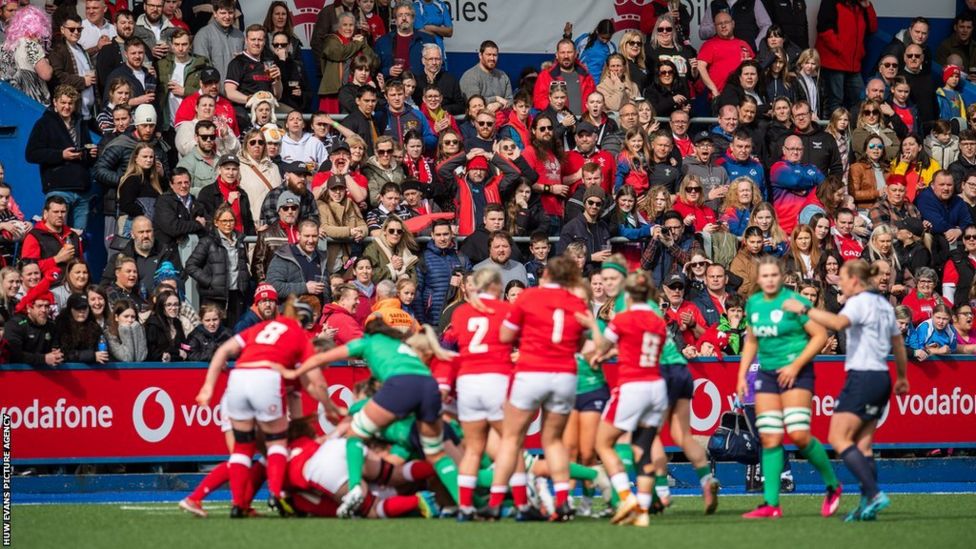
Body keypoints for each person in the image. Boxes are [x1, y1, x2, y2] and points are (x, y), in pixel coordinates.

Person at [195, 300, 340, 517]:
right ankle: (276, 494)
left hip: (238, 379)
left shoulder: (262, 326)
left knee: (244, 451)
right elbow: (317, 383)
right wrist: (330, 408)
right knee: (276, 446)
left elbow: (224, 350)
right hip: (265, 381)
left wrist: (208, 386)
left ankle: (239, 504)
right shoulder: (300, 341)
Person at [480, 255, 590, 520]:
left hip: (531, 371)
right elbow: (580, 343)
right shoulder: (577, 303)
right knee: (553, 441)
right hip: (563, 373)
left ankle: (495, 502)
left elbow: (505, 336)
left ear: (546, 275)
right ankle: (563, 501)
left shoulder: (529, 297)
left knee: (511, 439)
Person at [736, 256, 841, 519]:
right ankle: (771, 504)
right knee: (769, 436)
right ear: (759, 279)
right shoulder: (754, 304)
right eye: (765, 276)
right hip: (768, 375)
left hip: (797, 373)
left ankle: (832, 485)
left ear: (781, 277)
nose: (770, 280)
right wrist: (741, 375)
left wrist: (795, 366)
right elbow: (751, 341)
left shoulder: (794, 303)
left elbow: (820, 336)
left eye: (774, 275)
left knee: (798, 435)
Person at [587, 270, 678, 526]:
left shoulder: (623, 318)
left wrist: (593, 325)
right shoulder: (658, 320)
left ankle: (626, 497)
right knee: (643, 447)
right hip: (656, 386)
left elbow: (602, 345)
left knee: (602, 442)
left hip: (633, 385)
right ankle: (643, 511)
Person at [25, 85, 97, 233]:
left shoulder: (81, 122)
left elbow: (87, 151)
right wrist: (60, 155)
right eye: (63, 102)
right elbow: (31, 154)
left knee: (78, 239)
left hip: (82, 189)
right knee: (53, 235)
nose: (67, 107)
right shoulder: (44, 123)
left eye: (70, 103)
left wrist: (91, 154)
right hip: (58, 188)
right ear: (55, 102)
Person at [185, 204, 250, 327]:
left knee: (235, 332)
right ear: (216, 222)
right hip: (214, 297)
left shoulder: (240, 241)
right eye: (224, 221)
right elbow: (190, 265)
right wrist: (209, 281)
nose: (228, 224)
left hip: (236, 294)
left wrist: (245, 281)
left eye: (231, 220)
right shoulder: (207, 241)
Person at [815, 0, 877, 113]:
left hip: (853, 64)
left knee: (861, 100)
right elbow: (824, 30)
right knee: (835, 101)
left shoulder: (861, 6)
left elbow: (872, 28)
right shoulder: (831, 3)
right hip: (834, 63)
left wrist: (867, 6)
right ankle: (831, 130)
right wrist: (840, 49)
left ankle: (856, 130)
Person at [318, 12, 375, 113]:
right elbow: (338, 53)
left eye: (351, 25)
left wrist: (363, 43)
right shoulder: (332, 40)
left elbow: (373, 61)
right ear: (338, 26)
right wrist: (357, 43)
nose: (348, 28)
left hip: (356, 91)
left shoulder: (358, 41)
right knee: (333, 123)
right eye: (345, 25)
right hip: (334, 92)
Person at [416, 219, 470, 325]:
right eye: (438, 235)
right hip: (432, 320)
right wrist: (421, 322)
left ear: (451, 234)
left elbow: (473, 286)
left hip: (458, 319)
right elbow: (417, 293)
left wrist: (463, 281)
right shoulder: (423, 258)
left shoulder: (461, 258)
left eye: (445, 234)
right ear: (432, 235)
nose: (442, 238)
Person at [266, 220, 331, 304]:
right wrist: (305, 288)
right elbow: (273, 287)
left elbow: (325, 289)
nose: (311, 240)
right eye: (307, 236)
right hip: (291, 313)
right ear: (298, 235)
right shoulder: (283, 257)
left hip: (317, 314)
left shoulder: (321, 258)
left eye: (314, 236)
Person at [48, 13, 97, 122]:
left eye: (79, 29)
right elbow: (57, 76)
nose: (76, 32)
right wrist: (82, 81)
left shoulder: (80, 48)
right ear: (62, 29)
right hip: (72, 112)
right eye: (71, 29)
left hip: (87, 112)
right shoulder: (58, 50)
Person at [0, 4, 52, 105]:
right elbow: (46, 74)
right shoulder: (31, 45)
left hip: (10, 102)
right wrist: (48, 64)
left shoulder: (4, 46)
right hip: (32, 103)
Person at [20, 195, 82, 278]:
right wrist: (57, 259)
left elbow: (81, 264)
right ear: (45, 213)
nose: (60, 215)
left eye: (63, 212)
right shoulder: (34, 236)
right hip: (48, 286)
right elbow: (28, 270)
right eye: (55, 212)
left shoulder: (73, 235)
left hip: (74, 284)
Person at [698, 11, 755, 98]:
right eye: (719, 23)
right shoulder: (709, 45)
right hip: (720, 96)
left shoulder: (743, 44)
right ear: (715, 27)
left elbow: (754, 69)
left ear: (733, 24)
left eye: (726, 22)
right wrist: (713, 90)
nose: (723, 26)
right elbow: (700, 67)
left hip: (744, 97)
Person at [372, 2, 436, 79]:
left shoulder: (427, 40)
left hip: (420, 87)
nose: (404, 18)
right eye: (400, 15)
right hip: (393, 88)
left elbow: (437, 66)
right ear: (395, 20)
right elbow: (374, 70)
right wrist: (388, 71)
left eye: (407, 15)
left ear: (413, 19)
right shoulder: (382, 42)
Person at [533, 39, 598, 114]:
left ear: (576, 54)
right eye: (562, 52)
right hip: (557, 122)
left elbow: (594, 99)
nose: (566, 56)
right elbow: (539, 101)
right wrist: (558, 114)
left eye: (569, 52)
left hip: (584, 122)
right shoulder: (545, 76)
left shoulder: (586, 76)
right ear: (557, 55)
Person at [116, 143, 163, 236]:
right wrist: (145, 213)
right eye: (145, 157)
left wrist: (162, 174)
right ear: (136, 158)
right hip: (134, 225)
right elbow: (125, 205)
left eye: (151, 157)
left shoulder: (154, 181)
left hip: (151, 226)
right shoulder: (132, 179)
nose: (148, 160)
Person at [191, 0, 243, 85]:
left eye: (230, 13)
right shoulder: (203, 34)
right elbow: (201, 67)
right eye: (223, 13)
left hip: (237, 89)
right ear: (215, 14)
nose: (227, 16)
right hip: (214, 89)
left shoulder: (240, 35)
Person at [459, 40, 513, 114]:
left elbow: (511, 101)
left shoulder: (503, 76)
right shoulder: (470, 76)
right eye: (489, 54)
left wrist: (498, 104)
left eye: (495, 55)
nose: (492, 58)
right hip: (478, 122)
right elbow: (475, 103)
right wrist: (497, 98)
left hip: (502, 121)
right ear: (480, 55)